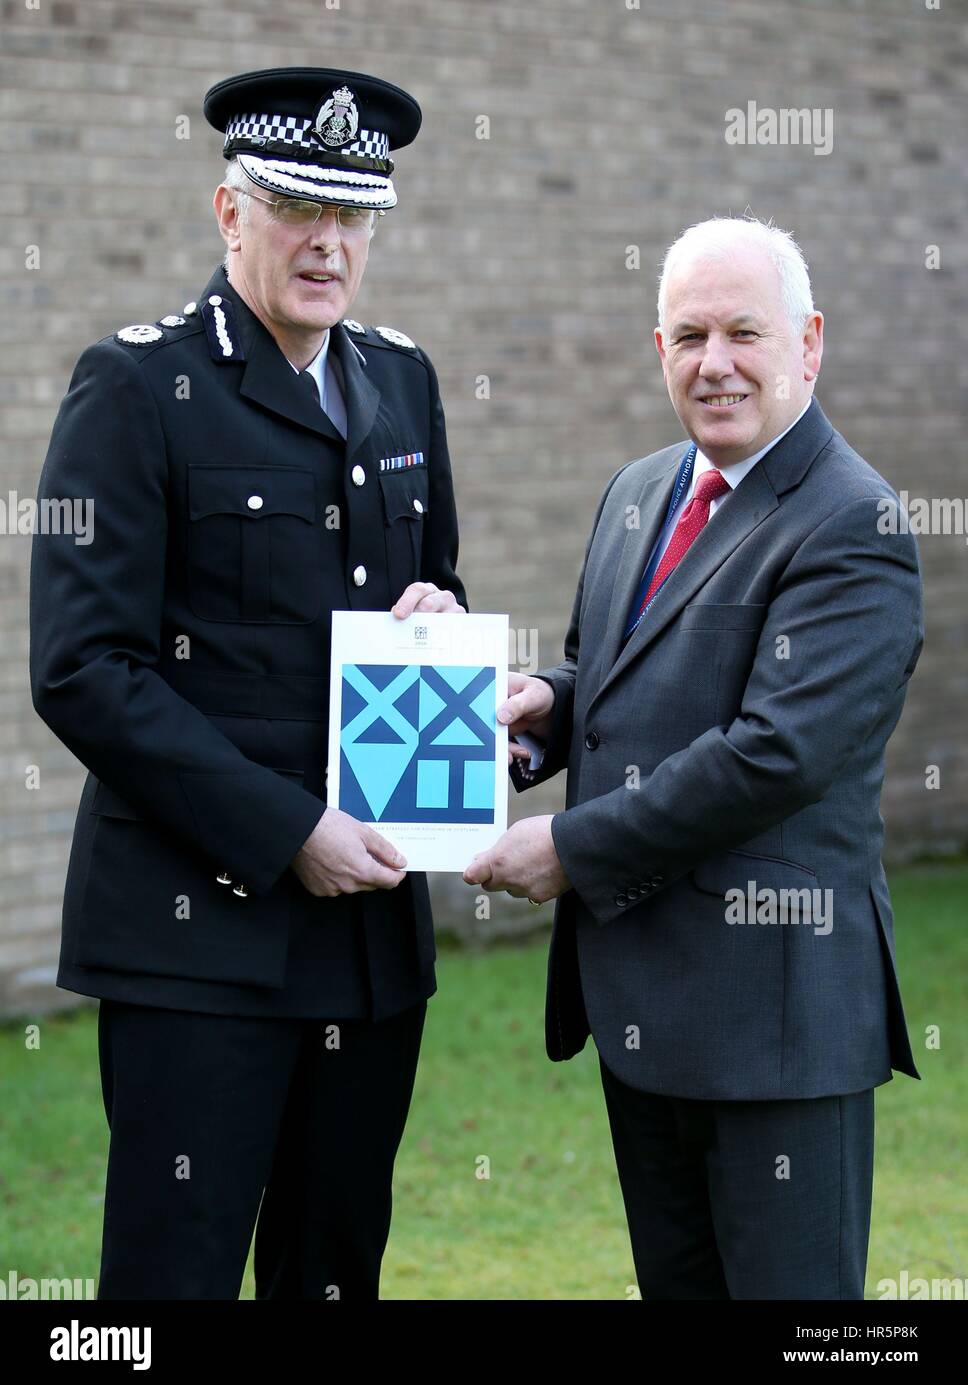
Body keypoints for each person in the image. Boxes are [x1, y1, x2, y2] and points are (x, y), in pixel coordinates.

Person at [29, 65, 466, 1301]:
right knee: (171, 1282)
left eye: (354, 214)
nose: (327, 241)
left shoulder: (402, 380)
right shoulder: (133, 385)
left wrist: (438, 631)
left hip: (369, 941)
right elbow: (82, 668)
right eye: (294, 207)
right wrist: (287, 832)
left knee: (334, 1275)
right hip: (196, 940)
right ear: (230, 215)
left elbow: (431, 596)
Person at [464, 216, 924, 1300]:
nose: (712, 362)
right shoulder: (637, 493)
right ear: (655, 349)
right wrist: (545, 707)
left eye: (741, 333)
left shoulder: (851, 522)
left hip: (775, 1022)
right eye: (686, 335)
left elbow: (772, 754)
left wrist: (570, 848)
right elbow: (615, 676)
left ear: (807, 342)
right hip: (645, 1016)